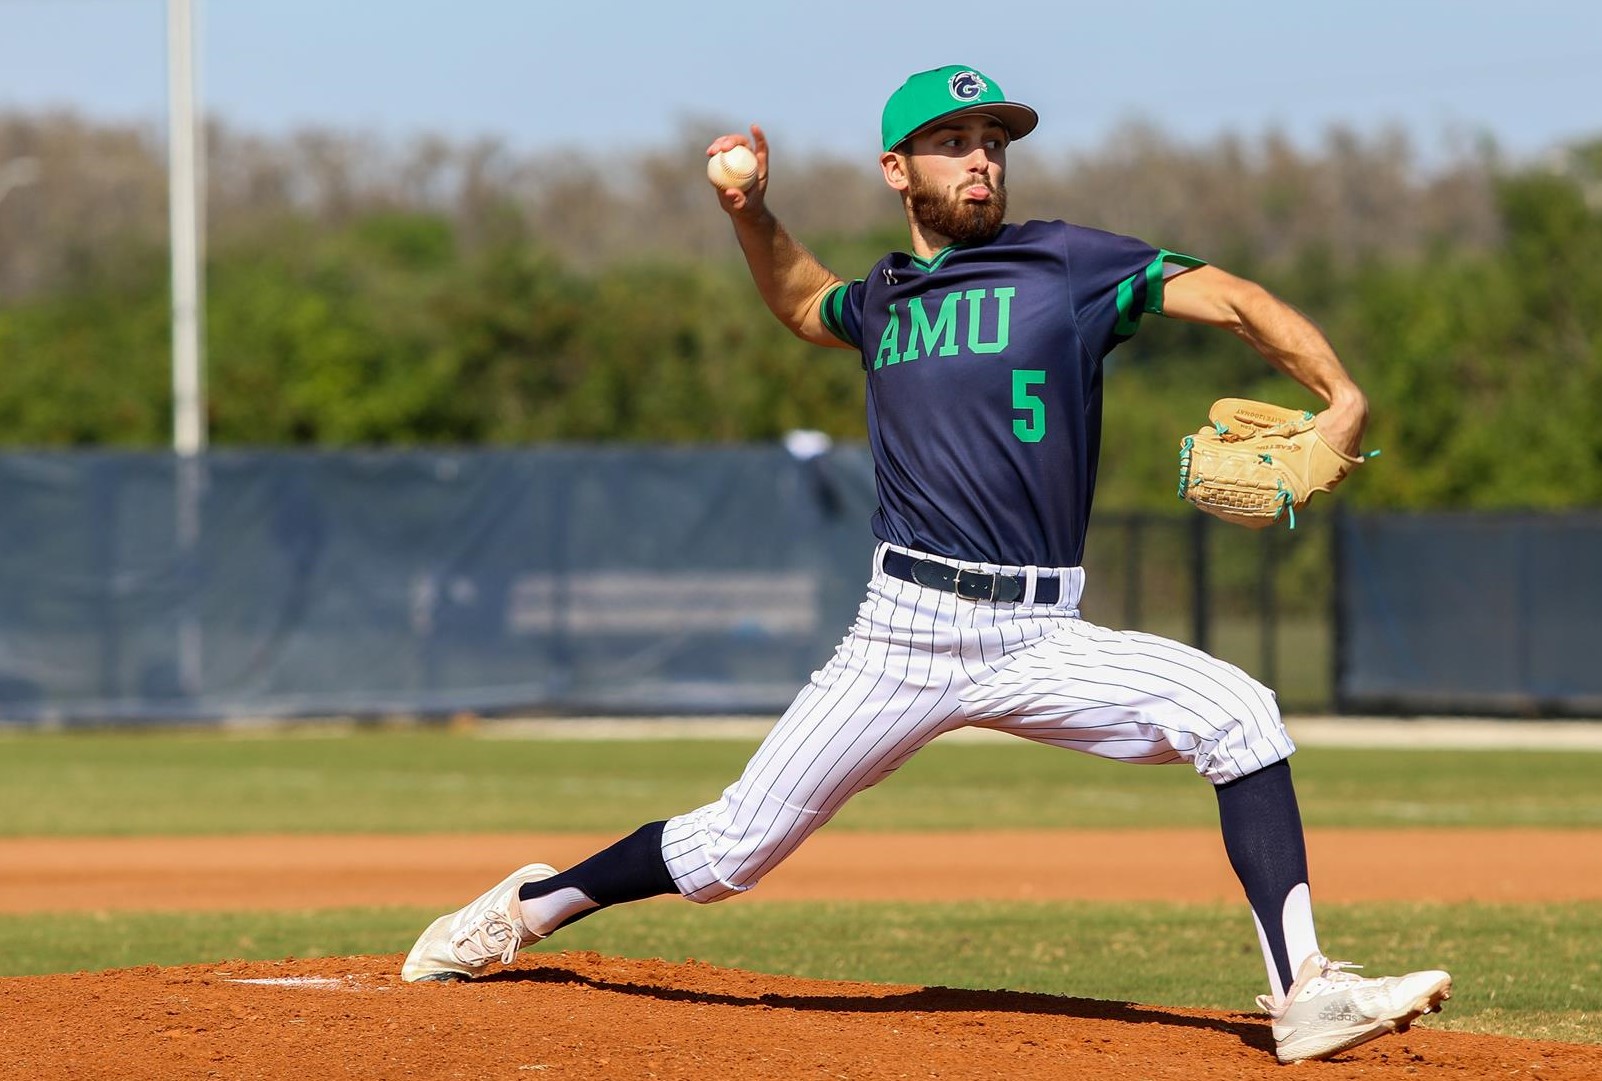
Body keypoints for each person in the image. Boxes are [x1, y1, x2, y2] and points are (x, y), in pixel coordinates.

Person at [402, 64, 1451, 1065]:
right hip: (899, 634)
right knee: (727, 854)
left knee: (1238, 715)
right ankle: (526, 908)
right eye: (950, 141)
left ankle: (1304, 992)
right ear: (896, 171)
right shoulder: (885, 298)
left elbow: (1235, 299)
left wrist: (1340, 395)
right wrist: (749, 212)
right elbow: (802, 302)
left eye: (992, 140)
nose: (980, 157)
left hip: (1038, 634)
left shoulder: (1067, 266)